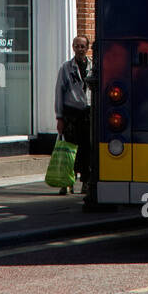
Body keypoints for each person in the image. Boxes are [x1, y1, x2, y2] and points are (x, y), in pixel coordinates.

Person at [55, 33, 94, 195]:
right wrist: (59, 117)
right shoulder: (66, 68)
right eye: (76, 46)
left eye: (82, 46)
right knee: (69, 149)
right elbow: (59, 92)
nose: (79, 49)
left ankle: (85, 182)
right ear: (73, 47)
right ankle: (66, 182)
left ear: (87, 48)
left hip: (88, 114)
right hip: (71, 114)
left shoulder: (94, 66)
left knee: (86, 149)